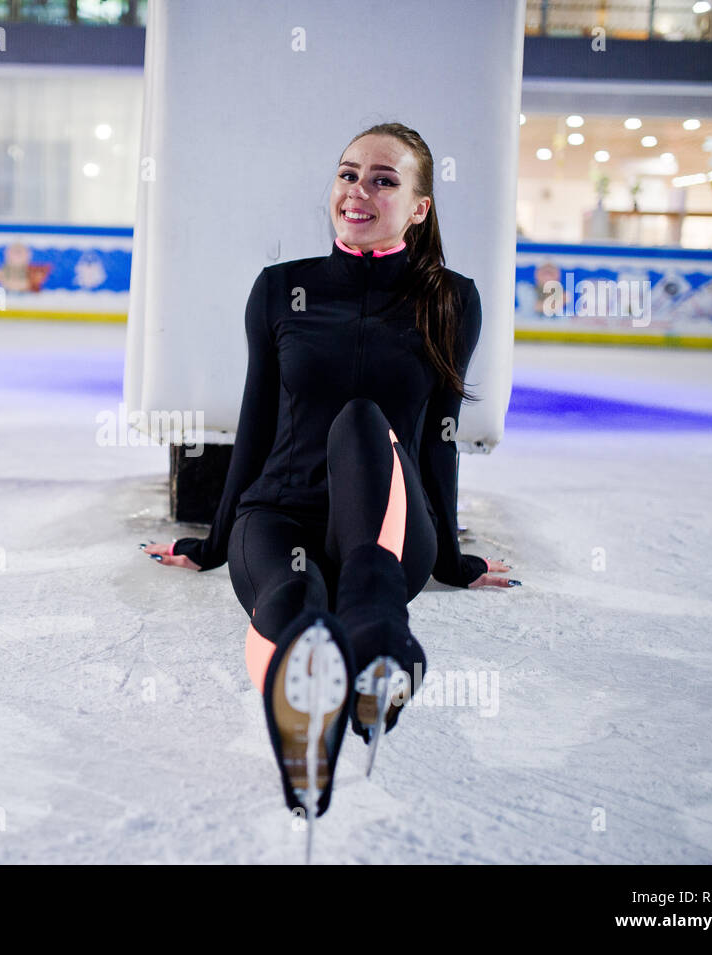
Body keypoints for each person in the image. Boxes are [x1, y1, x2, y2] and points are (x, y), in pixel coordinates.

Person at [141, 123, 519, 816]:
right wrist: (216, 540)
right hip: (279, 508)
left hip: (387, 516)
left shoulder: (449, 299)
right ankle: (302, 718)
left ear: (419, 208)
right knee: (290, 599)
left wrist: (453, 554)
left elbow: (438, 437)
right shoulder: (282, 289)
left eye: (383, 179)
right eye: (349, 174)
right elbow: (255, 423)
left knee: (360, 422)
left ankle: (382, 655)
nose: (359, 191)